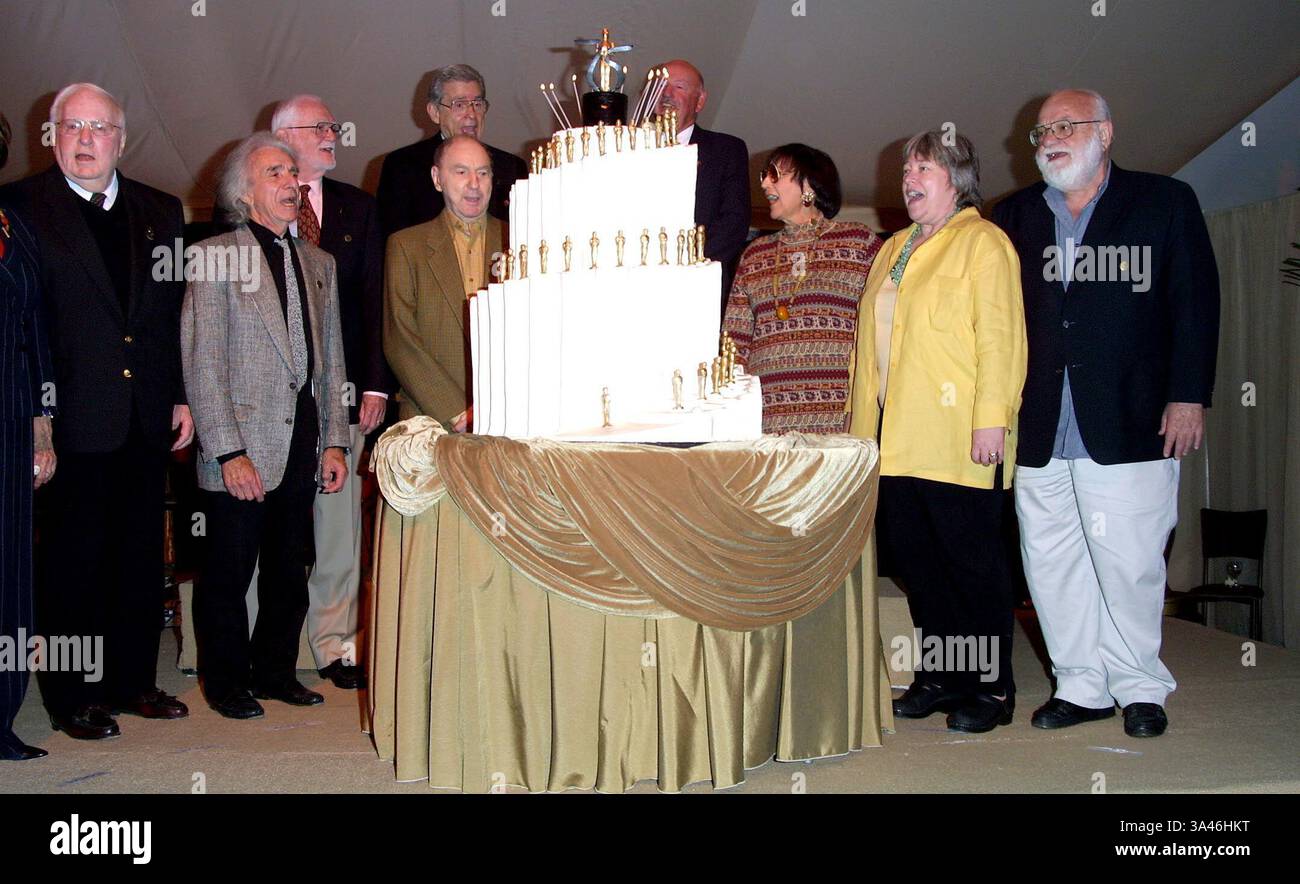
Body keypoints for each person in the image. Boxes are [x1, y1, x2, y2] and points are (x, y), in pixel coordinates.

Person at [992, 89, 1219, 738]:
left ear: (1106, 132)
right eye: (1041, 132)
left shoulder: (1165, 202)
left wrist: (1188, 393)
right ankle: (1082, 686)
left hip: (1132, 419)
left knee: (1130, 563)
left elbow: (1194, 305)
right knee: (1052, 565)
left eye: (1066, 126)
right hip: (1036, 428)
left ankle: (1140, 687)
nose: (1050, 139)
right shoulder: (1013, 217)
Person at [0, 83, 192, 740]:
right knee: (72, 565)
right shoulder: (21, 207)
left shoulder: (161, 210)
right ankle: (73, 696)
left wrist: (180, 394)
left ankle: (134, 681)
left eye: (99, 127)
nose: (85, 139)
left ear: (122, 137)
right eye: (71, 126)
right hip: (66, 419)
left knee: (139, 556)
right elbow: (21, 323)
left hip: (143, 414)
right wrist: (35, 418)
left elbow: (168, 315)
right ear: (50, 135)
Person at [849, 130, 1027, 733]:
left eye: (924, 167)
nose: (909, 178)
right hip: (897, 441)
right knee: (921, 568)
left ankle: (990, 689)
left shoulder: (984, 243)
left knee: (972, 567)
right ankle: (941, 677)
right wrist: (859, 435)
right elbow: (865, 355)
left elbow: (1001, 339)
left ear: (958, 177)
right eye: (906, 168)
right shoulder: (894, 246)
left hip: (960, 439)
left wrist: (991, 420)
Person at [181, 133, 351, 720]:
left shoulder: (319, 262)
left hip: (303, 441)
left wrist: (334, 440)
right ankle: (225, 682)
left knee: (289, 566)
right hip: (241, 447)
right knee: (228, 572)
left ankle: (276, 671)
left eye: (292, 173)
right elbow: (201, 364)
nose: (291, 183)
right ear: (244, 191)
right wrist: (228, 452)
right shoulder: (213, 256)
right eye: (275, 173)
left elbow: (332, 364)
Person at [273, 95, 393, 690]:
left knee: (337, 527)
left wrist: (374, 383)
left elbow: (374, 301)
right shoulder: (248, 205)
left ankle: (334, 644)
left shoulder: (358, 208)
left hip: (343, 394)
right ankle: (260, 644)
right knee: (269, 524)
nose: (331, 132)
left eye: (331, 125)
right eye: (317, 126)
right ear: (281, 136)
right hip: (272, 400)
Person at [722, 144, 881, 434]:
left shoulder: (860, 243)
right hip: (766, 424)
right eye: (763, 175)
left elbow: (884, 330)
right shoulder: (754, 255)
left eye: (775, 175)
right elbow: (734, 344)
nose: (764, 183)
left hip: (838, 420)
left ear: (808, 185)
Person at [0, 117, 56, 760]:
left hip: (12, 421)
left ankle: (3, 712)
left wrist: (43, 422)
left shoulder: (11, 222)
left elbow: (36, 325)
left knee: (11, 571)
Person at [383, 134, 502, 429]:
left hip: (507, 420)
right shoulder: (405, 245)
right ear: (437, 178)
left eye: (483, 173)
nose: (474, 183)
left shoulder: (521, 238)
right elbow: (400, 339)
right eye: (461, 172)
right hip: (430, 424)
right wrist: (456, 411)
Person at [376, 64, 526, 238]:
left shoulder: (510, 167)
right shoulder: (402, 166)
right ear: (434, 112)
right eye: (459, 105)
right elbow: (392, 242)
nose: (471, 114)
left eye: (477, 104)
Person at [657, 59, 750, 313]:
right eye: (660, 86)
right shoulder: (629, 151)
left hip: (698, 289)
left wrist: (683, 265)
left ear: (699, 101)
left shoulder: (725, 151)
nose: (667, 94)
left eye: (678, 87)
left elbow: (734, 223)